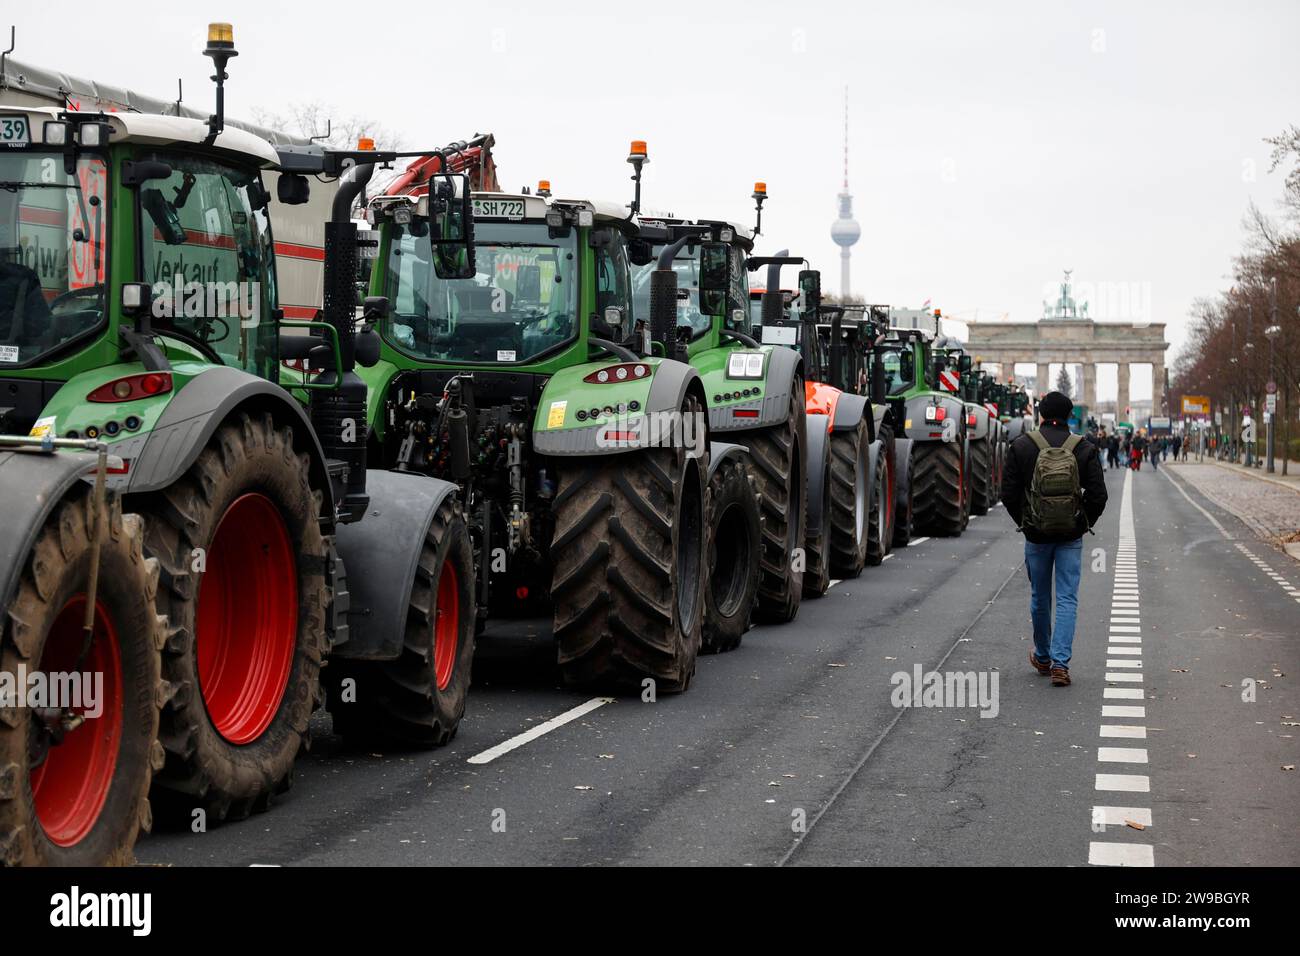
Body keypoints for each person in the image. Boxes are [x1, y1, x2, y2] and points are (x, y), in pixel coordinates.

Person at [1001, 391, 1108, 687]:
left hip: (1036, 535)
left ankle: (1044, 656)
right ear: (1069, 416)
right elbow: (1099, 495)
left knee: (1039, 597)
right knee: (1067, 598)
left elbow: (1008, 494)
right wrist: (1081, 523)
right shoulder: (1083, 448)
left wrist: (1026, 522)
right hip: (1070, 535)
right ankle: (1060, 664)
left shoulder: (1021, 446)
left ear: (1040, 414)